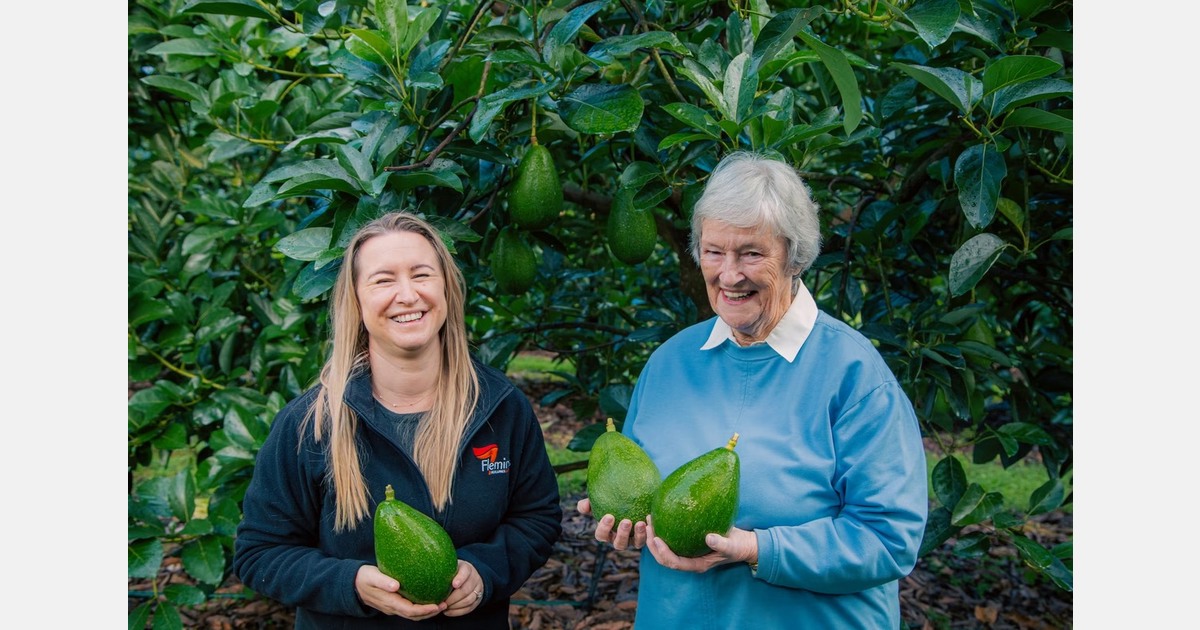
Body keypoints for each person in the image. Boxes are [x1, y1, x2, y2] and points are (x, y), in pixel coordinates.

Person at [579, 151, 928, 628]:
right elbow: (646, 494)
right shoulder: (670, 363)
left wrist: (756, 548)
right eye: (713, 251)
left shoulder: (853, 373)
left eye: (751, 253)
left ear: (794, 255)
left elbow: (889, 539)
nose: (728, 274)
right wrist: (627, 522)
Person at [233, 211, 562, 628]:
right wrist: (350, 583)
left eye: (422, 275)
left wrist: (484, 570)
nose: (407, 295)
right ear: (356, 298)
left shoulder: (501, 408)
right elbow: (260, 552)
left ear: (446, 288)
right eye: (383, 280)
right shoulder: (310, 425)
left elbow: (537, 518)